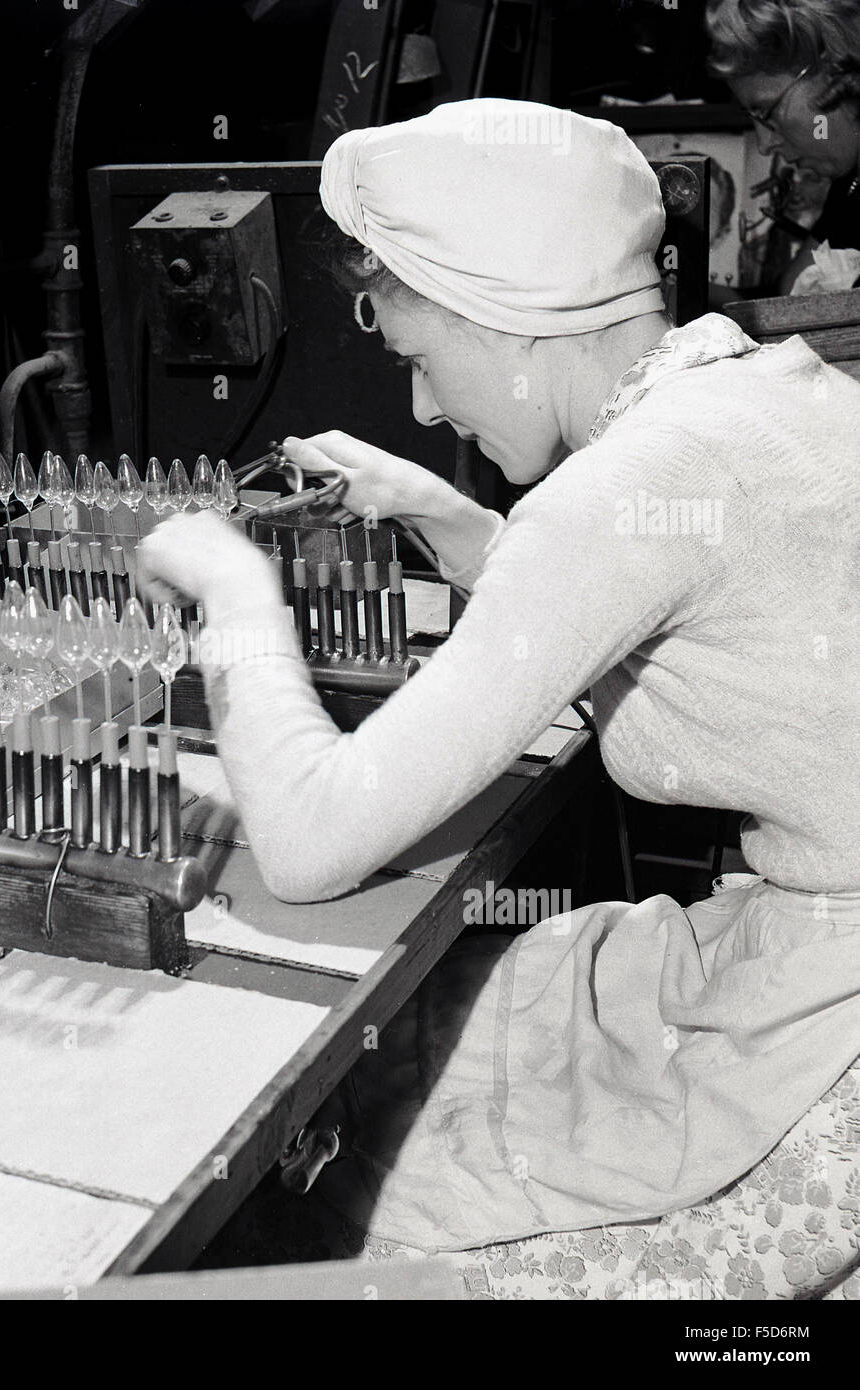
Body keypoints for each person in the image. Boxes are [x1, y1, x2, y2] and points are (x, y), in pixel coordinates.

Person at [138, 98, 860, 1295]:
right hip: (820, 937)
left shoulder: (620, 493)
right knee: (482, 1006)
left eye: (423, 358)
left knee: (359, 1150)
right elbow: (674, 603)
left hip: (830, 1026)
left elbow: (313, 842)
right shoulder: (761, 393)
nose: (423, 405)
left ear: (515, 325)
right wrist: (457, 519)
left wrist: (235, 593)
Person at [707, 0, 860, 289]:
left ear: (831, 69)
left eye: (767, 111)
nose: (764, 145)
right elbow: (788, 303)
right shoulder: (849, 183)